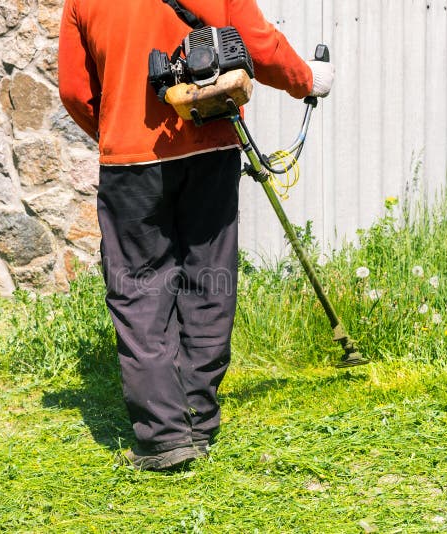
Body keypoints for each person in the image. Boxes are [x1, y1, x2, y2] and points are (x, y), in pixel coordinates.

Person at [58, 0, 334, 471]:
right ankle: (197, 418)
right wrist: (309, 79)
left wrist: (115, 129)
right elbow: (260, 47)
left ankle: (164, 436)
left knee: (139, 291)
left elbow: (74, 91)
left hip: (130, 160)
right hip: (211, 145)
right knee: (209, 280)